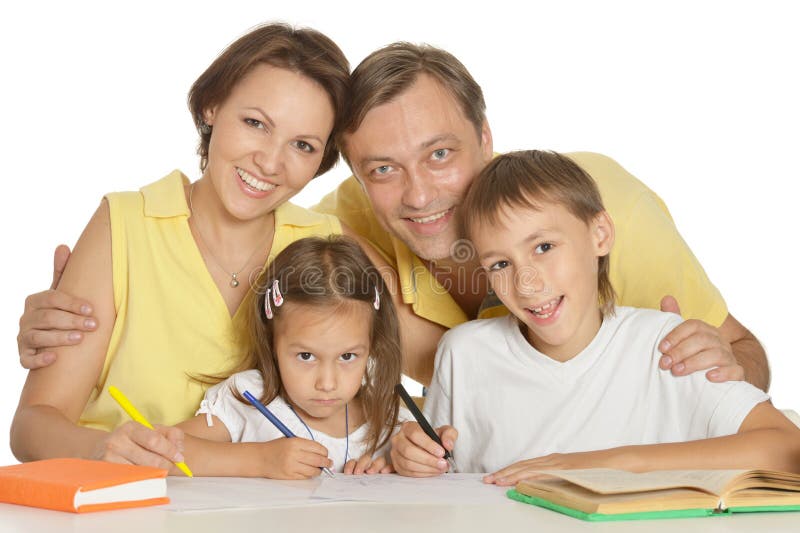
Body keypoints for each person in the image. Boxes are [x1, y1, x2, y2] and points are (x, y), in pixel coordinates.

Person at [18, 44, 768, 389]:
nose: (417, 195)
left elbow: (747, 354)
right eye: (382, 168)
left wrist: (730, 368)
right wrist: (91, 302)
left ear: (487, 139)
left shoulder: (593, 203)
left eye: (441, 155)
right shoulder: (337, 230)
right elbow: (237, 247)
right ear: (344, 168)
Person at [9, 23, 387, 470]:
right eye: (255, 123)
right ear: (212, 107)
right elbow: (31, 426)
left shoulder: (324, 244)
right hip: (120, 508)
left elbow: (424, 358)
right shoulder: (125, 224)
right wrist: (100, 449)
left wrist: (393, 451)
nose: (269, 162)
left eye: (302, 145)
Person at [390, 150, 800, 480]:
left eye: (544, 247)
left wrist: (602, 463)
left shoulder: (665, 345)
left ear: (600, 234)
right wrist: (414, 458)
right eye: (500, 264)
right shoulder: (466, 354)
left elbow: (786, 448)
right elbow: (440, 472)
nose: (526, 282)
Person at [174, 236, 410, 478]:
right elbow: (157, 453)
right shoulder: (247, 399)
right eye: (306, 356)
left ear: (372, 345)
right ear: (272, 340)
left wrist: (398, 467)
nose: (327, 383)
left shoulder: (390, 419)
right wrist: (260, 461)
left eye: (347, 356)